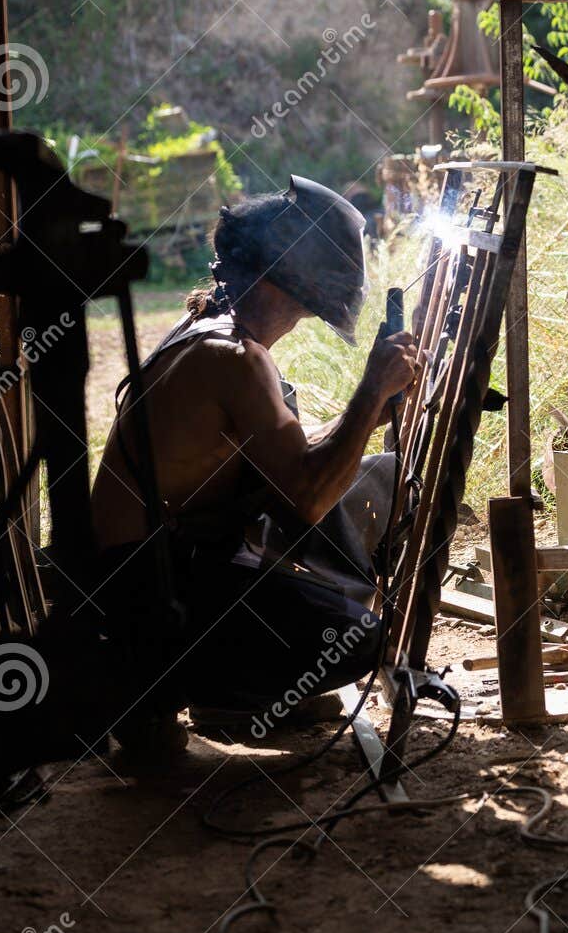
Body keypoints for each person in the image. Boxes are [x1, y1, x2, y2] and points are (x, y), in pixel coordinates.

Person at [90, 178, 418, 745]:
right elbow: (306, 498)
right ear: (287, 284)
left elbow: (280, 453)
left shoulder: (207, 331)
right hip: (145, 591)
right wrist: (368, 395)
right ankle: (176, 690)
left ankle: (189, 687)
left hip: (138, 573)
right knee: (357, 637)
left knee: (356, 489)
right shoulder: (236, 358)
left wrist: (363, 418)